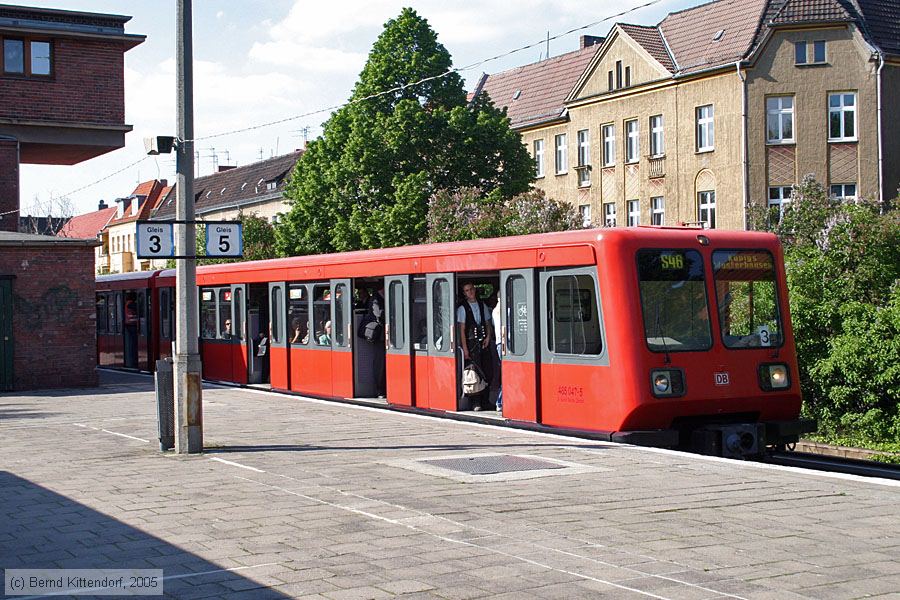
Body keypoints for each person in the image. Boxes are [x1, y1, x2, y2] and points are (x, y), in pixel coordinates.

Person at [457, 282, 493, 411]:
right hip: (471, 343)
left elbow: (488, 323)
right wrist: (465, 348)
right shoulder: (462, 308)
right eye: (467, 290)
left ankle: (486, 400)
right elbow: (462, 329)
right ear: (464, 293)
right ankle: (475, 402)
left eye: (471, 289)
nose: (470, 292)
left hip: (484, 342)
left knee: (488, 370)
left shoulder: (482, 305)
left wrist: (488, 337)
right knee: (474, 372)